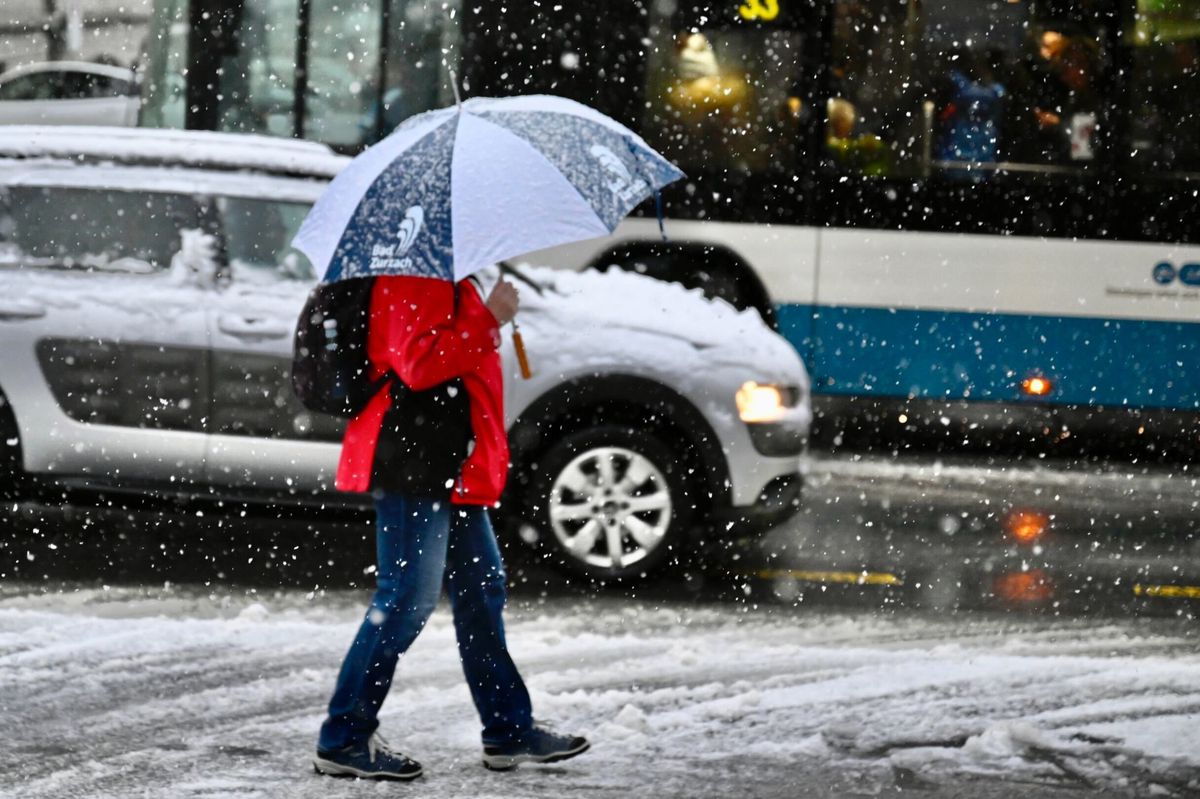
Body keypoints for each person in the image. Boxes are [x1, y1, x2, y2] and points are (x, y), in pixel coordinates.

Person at [313, 273, 589, 780]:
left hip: (447, 461)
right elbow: (418, 364)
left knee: (482, 589)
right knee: (404, 601)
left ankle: (508, 730)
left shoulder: (450, 276)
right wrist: (489, 319)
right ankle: (343, 737)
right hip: (414, 458)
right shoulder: (417, 278)